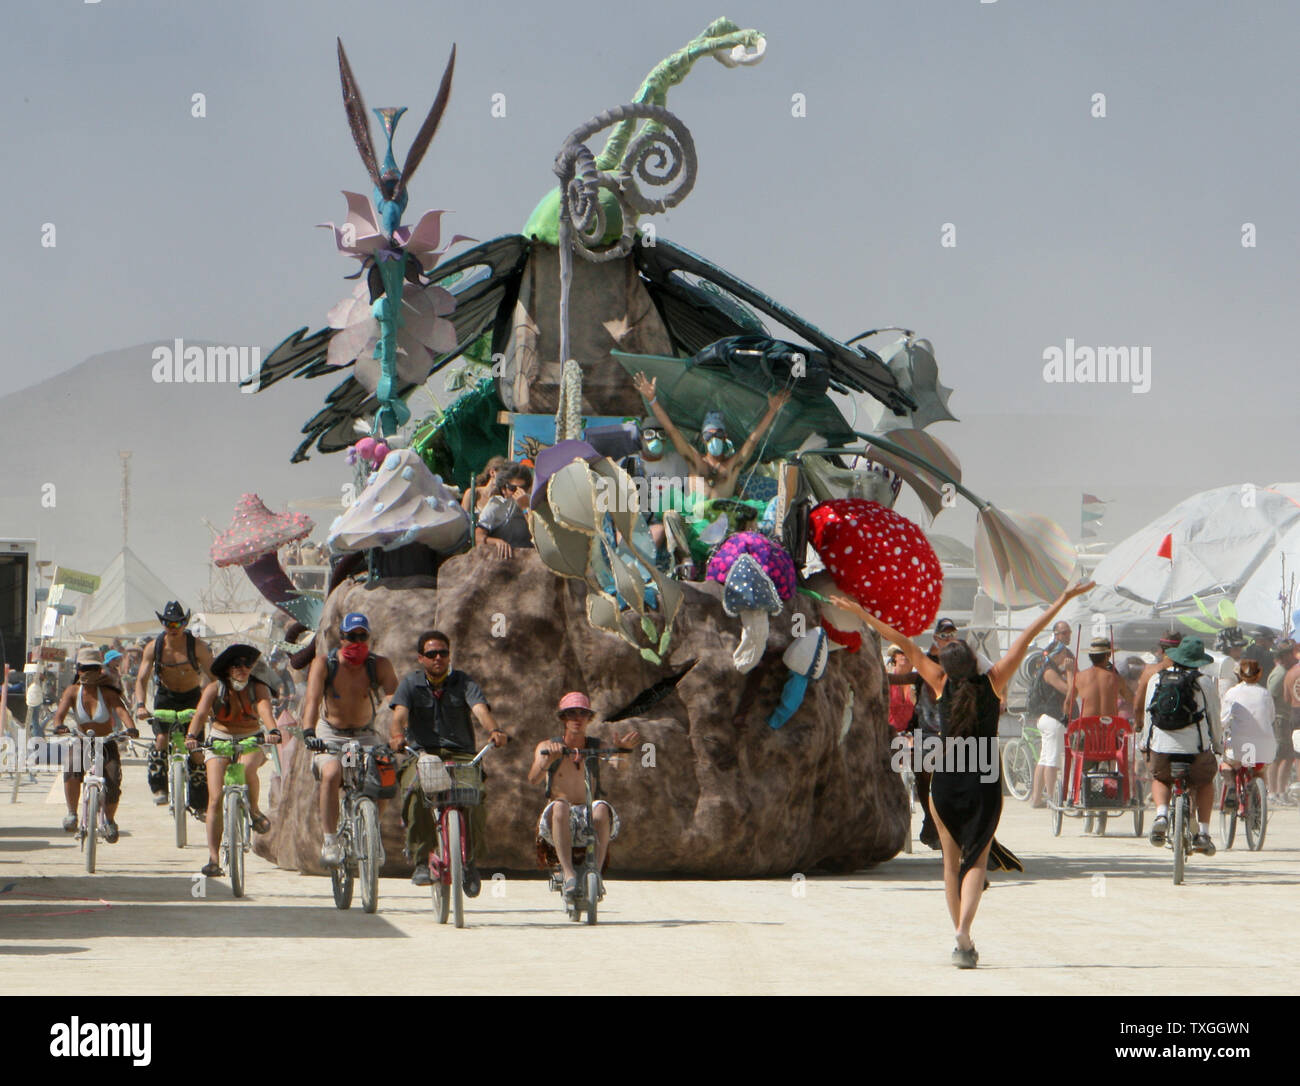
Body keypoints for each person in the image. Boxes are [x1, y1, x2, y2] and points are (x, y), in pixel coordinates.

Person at [831, 580, 1095, 968]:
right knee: (977, 861)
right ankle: (964, 930)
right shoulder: (994, 680)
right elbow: (1028, 634)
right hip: (983, 780)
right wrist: (1064, 599)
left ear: (946, 666)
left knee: (950, 864)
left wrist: (860, 614)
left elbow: (903, 643)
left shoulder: (938, 682)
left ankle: (961, 940)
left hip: (945, 780)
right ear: (973, 660)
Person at [390, 630, 509, 893]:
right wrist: (397, 736)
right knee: (416, 792)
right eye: (431, 653)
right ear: (421, 658)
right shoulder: (410, 684)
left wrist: (494, 730)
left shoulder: (464, 682)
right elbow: (398, 716)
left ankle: (469, 861)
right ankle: (421, 860)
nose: (438, 658)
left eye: (443, 653)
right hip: (422, 755)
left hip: (461, 755)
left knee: (474, 797)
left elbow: (480, 710)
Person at [299, 613, 399, 866]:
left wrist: (400, 730)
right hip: (330, 733)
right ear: (342, 638)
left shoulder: (379, 665)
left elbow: (396, 700)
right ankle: (330, 840)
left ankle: (371, 831)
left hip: (365, 733)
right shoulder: (325, 663)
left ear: (369, 638)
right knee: (332, 773)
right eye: (352, 636)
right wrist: (309, 732)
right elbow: (312, 700)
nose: (357, 642)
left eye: (362, 636)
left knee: (386, 772)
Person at [528, 692, 638, 903]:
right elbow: (533, 778)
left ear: (589, 718)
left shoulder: (596, 746)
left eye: (582, 713)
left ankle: (595, 871)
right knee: (560, 805)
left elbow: (619, 765)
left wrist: (622, 751)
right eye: (571, 713)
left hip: (587, 813)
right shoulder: (547, 746)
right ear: (563, 718)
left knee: (602, 808)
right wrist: (548, 760)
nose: (577, 718)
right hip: (557, 818)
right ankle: (569, 874)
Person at [185, 645, 282, 878]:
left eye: (247, 665)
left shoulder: (258, 687)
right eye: (237, 665)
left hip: (251, 737)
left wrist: (273, 730)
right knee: (215, 798)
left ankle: (255, 811)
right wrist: (191, 736)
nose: (243, 669)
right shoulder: (214, 688)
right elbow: (200, 714)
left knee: (248, 768)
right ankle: (213, 859)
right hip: (219, 739)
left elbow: (265, 710)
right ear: (228, 669)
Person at [1141, 636, 1221, 855]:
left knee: (1161, 778)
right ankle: (1203, 834)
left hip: (1161, 746)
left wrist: (1145, 743)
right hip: (1195, 749)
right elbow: (1214, 717)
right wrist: (1218, 745)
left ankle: (1161, 815)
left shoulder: (1156, 679)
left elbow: (1149, 715)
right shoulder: (1204, 682)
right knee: (1205, 781)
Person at [50, 649, 139, 840]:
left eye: (93, 668)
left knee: (113, 780)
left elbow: (122, 711)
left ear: (100, 671)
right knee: (72, 768)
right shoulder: (72, 692)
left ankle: (109, 820)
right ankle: (72, 813)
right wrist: (59, 726)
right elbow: (59, 715)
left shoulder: (108, 693)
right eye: (85, 668)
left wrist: (131, 728)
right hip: (82, 740)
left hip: (106, 742)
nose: (89, 672)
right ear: (78, 670)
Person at [134, 601, 214, 812]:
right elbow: (141, 679)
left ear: (184, 623)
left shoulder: (197, 647)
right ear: (163, 624)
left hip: (192, 697)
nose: (173, 628)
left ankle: (199, 801)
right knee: (161, 739)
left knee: (195, 749)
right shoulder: (154, 647)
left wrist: (213, 704)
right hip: (166, 696)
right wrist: (140, 705)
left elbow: (214, 677)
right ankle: (159, 788)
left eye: (178, 623)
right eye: (169, 624)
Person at [619, 416, 692, 568]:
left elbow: (696, 463)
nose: (655, 440)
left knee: (660, 528)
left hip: (660, 521)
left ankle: (648, 568)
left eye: (661, 435)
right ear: (641, 437)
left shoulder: (676, 462)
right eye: (650, 435)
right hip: (634, 518)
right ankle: (626, 563)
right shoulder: (629, 462)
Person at [1219, 658, 1275, 809]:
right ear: (1259, 674)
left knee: (1226, 762)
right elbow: (1271, 718)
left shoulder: (1232, 693)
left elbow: (1223, 721)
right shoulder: (1265, 693)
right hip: (1264, 746)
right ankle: (1257, 800)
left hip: (1240, 745)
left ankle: (1231, 786)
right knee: (1259, 770)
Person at [1028, 643, 1075, 808]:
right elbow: (1069, 691)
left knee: (1045, 758)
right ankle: (1052, 798)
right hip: (1053, 719)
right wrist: (1070, 672)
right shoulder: (1049, 672)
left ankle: (1036, 798)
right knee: (1052, 761)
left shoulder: (1049, 669)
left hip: (1047, 719)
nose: (1067, 657)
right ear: (1057, 654)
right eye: (1064, 653)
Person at [475, 463, 535, 558]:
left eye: (523, 488)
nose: (519, 493)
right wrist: (496, 542)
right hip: (502, 558)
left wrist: (525, 508)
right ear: (503, 489)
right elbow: (478, 536)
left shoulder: (533, 504)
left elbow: (539, 535)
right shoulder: (496, 504)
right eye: (513, 488)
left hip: (528, 556)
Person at [1066, 637, 1133, 719]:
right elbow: (1131, 698)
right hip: (1110, 724)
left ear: (1090, 655)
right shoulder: (1116, 678)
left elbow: (1068, 703)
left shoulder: (1079, 678)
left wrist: (1066, 718)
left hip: (1087, 724)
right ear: (1108, 655)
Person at [1266, 639, 1297, 801]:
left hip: (1284, 719)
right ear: (1284, 656)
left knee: (1288, 756)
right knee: (1278, 756)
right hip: (1279, 719)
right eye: (1291, 653)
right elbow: (1270, 698)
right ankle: (1273, 792)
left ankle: (1280, 791)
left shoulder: (1285, 671)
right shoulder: (1280, 674)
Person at [886, 648, 916, 734]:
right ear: (895, 657)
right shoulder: (886, 679)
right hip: (889, 735)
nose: (905, 655)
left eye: (909, 652)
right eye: (901, 652)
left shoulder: (917, 683)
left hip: (912, 735)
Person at [1214, 627, 1247, 702]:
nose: (1240, 652)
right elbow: (1226, 699)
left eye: (1240, 648)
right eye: (1236, 649)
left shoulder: (1238, 666)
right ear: (1225, 649)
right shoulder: (1226, 670)